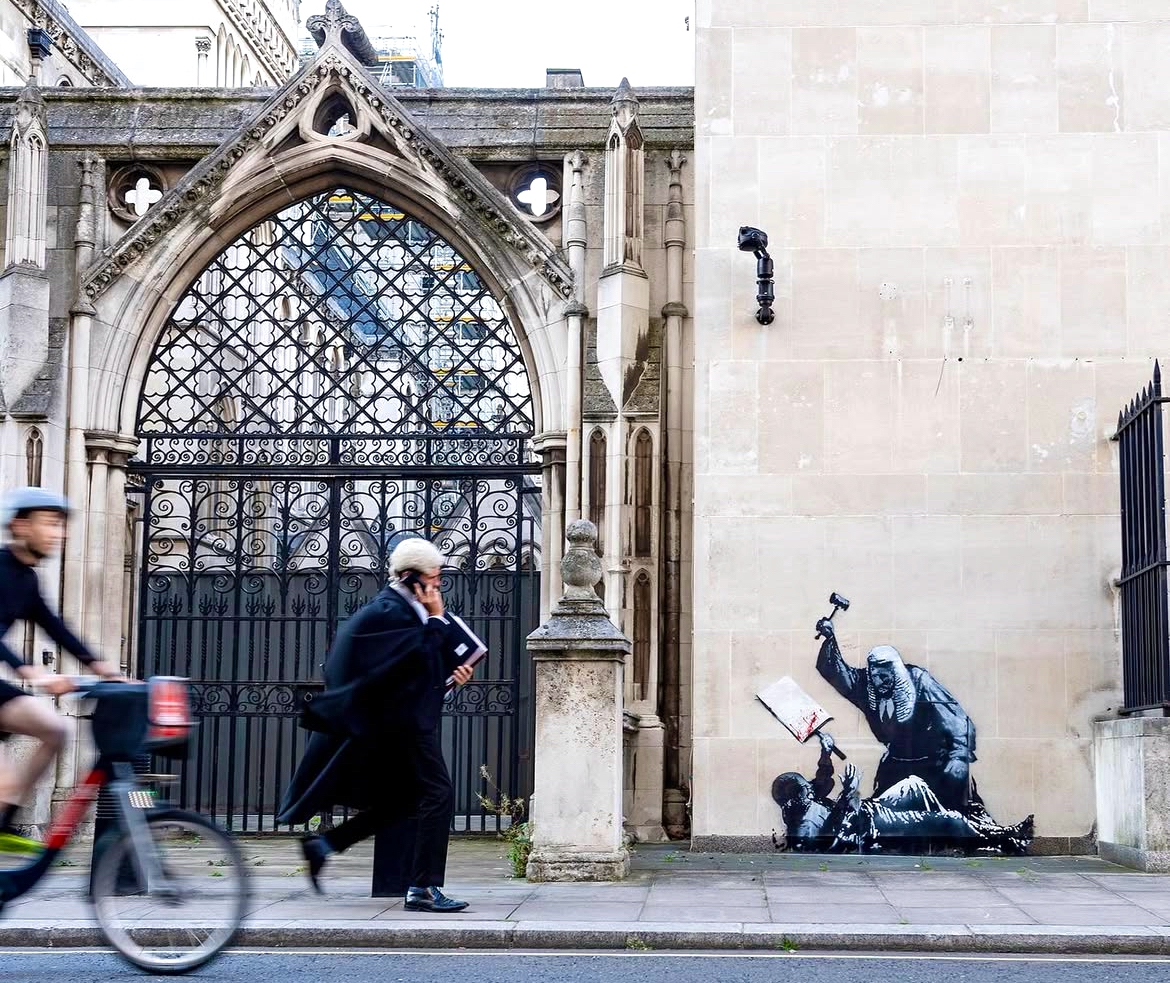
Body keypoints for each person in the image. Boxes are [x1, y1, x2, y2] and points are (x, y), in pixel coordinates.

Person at [277, 538, 475, 913]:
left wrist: (452, 679)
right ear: (412, 578)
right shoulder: (390, 611)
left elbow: (414, 669)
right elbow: (412, 660)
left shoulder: (402, 609)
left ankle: (323, 846)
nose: (438, 587)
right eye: (434, 579)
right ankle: (422, 888)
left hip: (400, 723)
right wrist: (436, 618)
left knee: (401, 801)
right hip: (402, 727)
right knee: (438, 794)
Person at [0, 488, 122, 845]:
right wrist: (31, 672)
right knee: (4, 780)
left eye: (61, 526)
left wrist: (103, 668)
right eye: (51, 524)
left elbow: (55, 627)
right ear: (21, 526)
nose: (60, 533)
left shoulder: (27, 578)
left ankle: (5, 819)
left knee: (54, 729)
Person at [771, 731, 1034, 855]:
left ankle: (964, 836)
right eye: (805, 787)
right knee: (948, 819)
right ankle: (1002, 836)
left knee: (913, 784)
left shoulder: (807, 800)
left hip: (870, 809)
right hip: (871, 824)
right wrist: (847, 794)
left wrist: (826, 750)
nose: (812, 787)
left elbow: (822, 778)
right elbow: (825, 844)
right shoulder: (803, 824)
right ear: (795, 798)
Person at [815, 616, 975, 810]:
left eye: (884, 677)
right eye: (874, 677)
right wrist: (830, 637)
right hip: (896, 766)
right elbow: (837, 673)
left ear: (896, 673)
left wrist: (959, 756)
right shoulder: (867, 686)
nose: (879, 682)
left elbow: (956, 719)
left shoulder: (919, 681)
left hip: (933, 767)